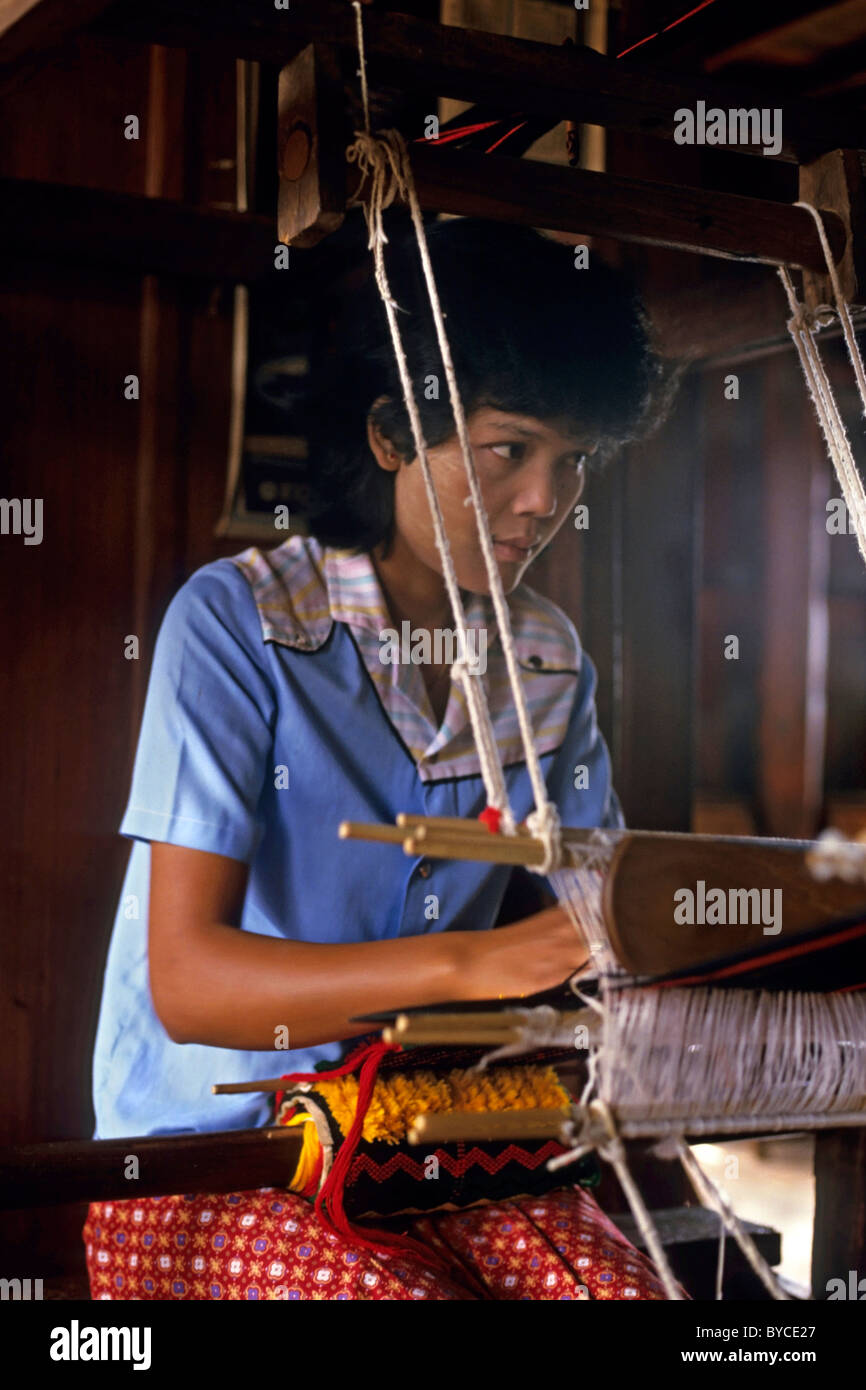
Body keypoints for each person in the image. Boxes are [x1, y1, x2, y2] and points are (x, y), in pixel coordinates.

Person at [84, 217, 678, 1300]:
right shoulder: (238, 626)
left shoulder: (542, 660)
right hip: (205, 1164)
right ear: (388, 434)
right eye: (510, 449)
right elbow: (190, 983)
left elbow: (604, 921)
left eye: (573, 460)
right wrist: (471, 966)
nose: (548, 500)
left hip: (425, 1137)